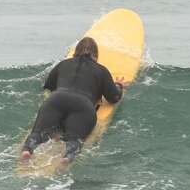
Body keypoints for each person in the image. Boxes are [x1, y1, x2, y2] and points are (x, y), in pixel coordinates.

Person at [20, 36, 125, 169]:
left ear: (75, 52)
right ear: (96, 56)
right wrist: (119, 85)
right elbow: (114, 97)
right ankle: (66, 158)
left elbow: (48, 86)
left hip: (56, 100)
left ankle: (27, 151)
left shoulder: (63, 64)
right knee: (74, 140)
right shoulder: (101, 70)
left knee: (37, 134)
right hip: (83, 105)